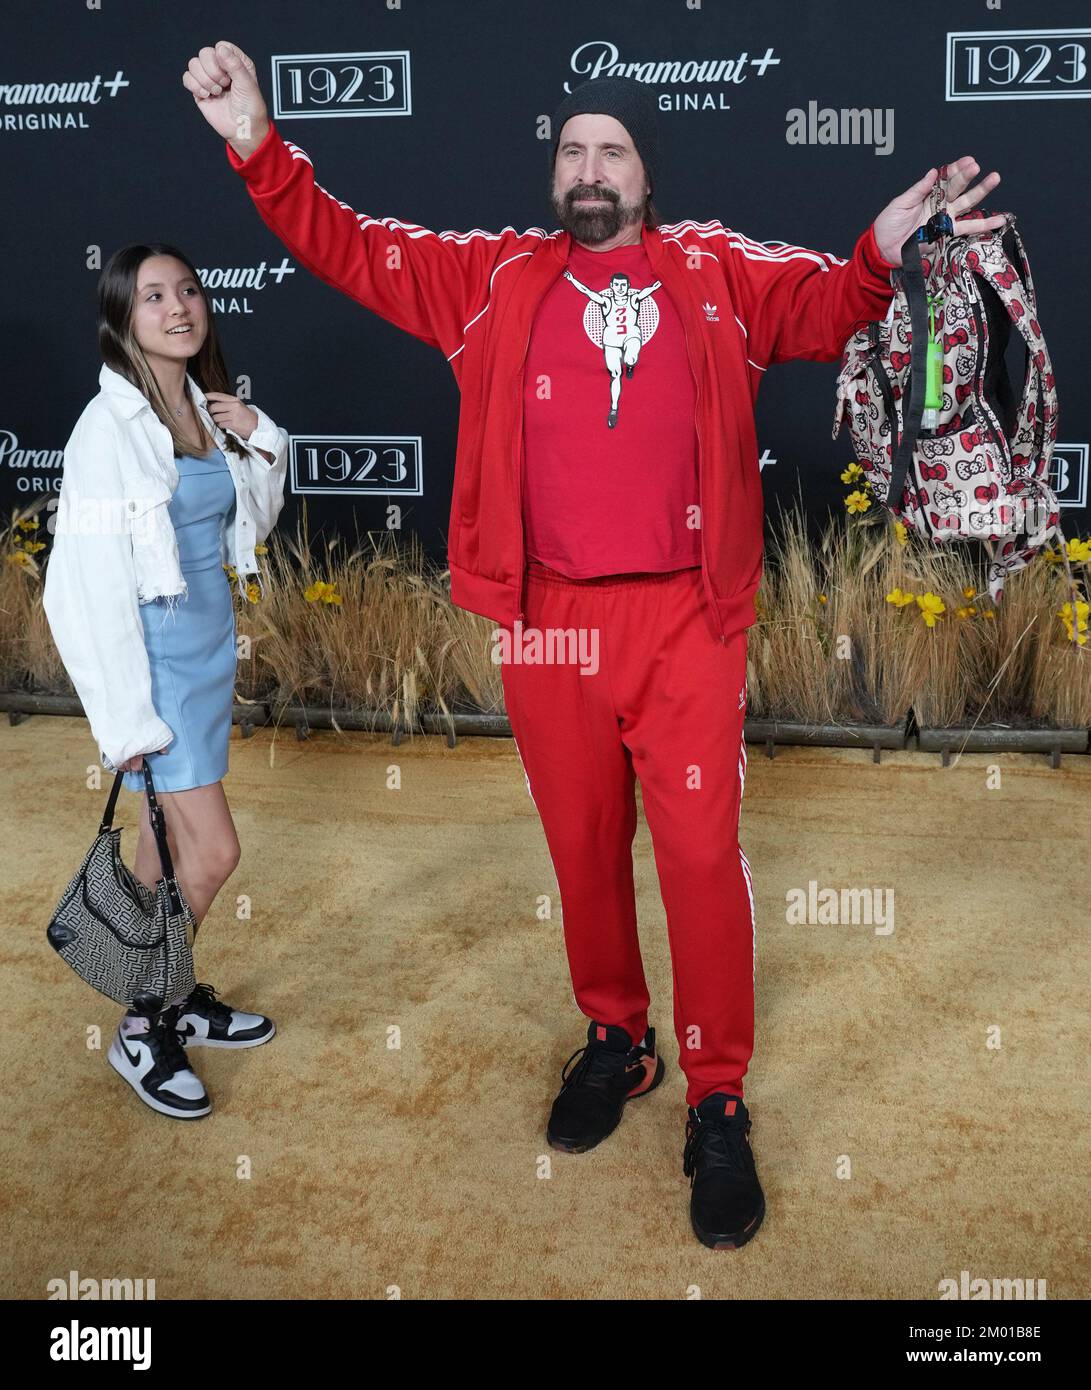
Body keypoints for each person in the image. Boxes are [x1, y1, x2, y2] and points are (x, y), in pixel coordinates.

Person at [183, 40, 1004, 1244]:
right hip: (548, 621)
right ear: (553, 173)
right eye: (569, 149)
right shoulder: (493, 281)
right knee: (579, 844)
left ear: (643, 176)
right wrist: (257, 143)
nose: (587, 166)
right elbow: (350, 246)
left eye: (609, 149)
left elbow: (832, 303)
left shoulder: (716, 272)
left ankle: (715, 1096)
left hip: (681, 621)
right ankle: (617, 1038)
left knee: (698, 856)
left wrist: (879, 249)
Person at [42, 241, 290, 1120]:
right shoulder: (106, 430)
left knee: (162, 854)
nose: (179, 307)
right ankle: (143, 1023)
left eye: (188, 289)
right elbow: (80, 588)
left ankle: (174, 993)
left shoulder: (210, 411)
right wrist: (128, 726)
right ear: (122, 317)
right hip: (155, 680)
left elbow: (247, 523)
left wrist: (263, 439)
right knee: (213, 853)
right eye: (154, 296)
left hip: (207, 661)